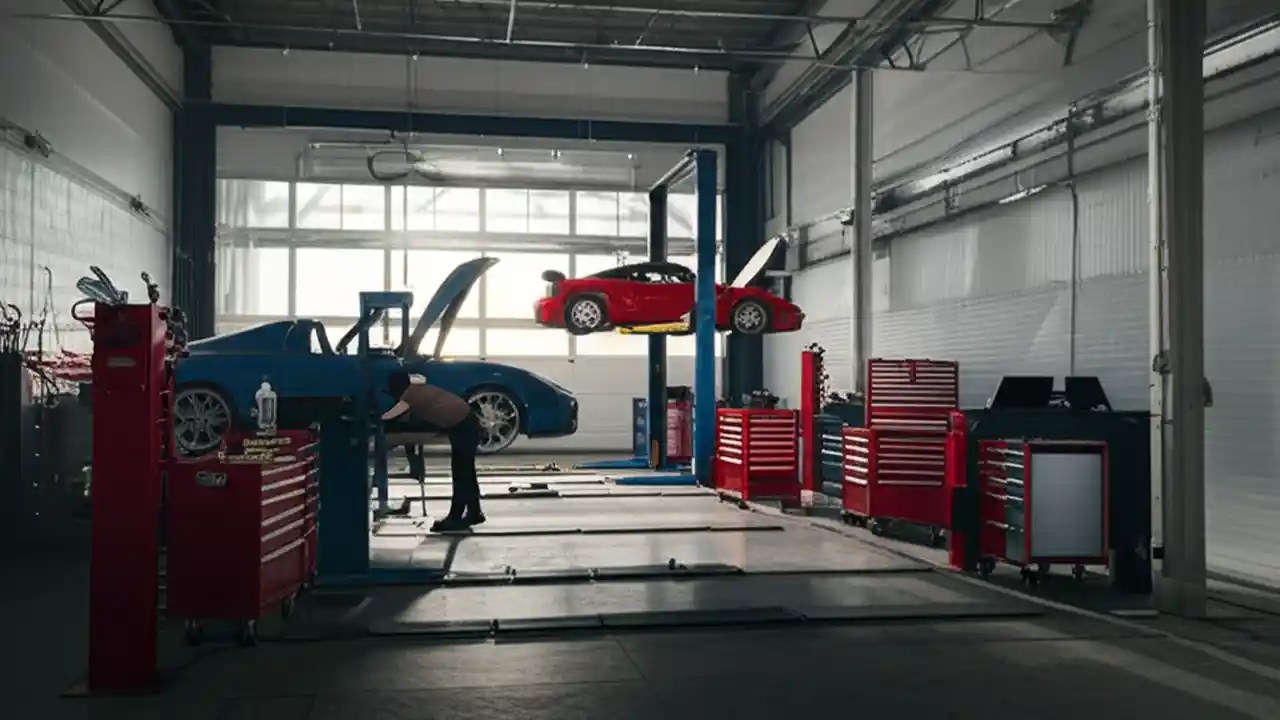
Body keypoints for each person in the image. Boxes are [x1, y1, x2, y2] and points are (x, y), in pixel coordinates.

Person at [382, 371, 485, 532]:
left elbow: (389, 417)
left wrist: (374, 419)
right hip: (469, 421)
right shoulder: (420, 388)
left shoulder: (408, 398)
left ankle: (455, 518)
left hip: (462, 428)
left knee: (461, 474)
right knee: (467, 472)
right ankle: (474, 512)